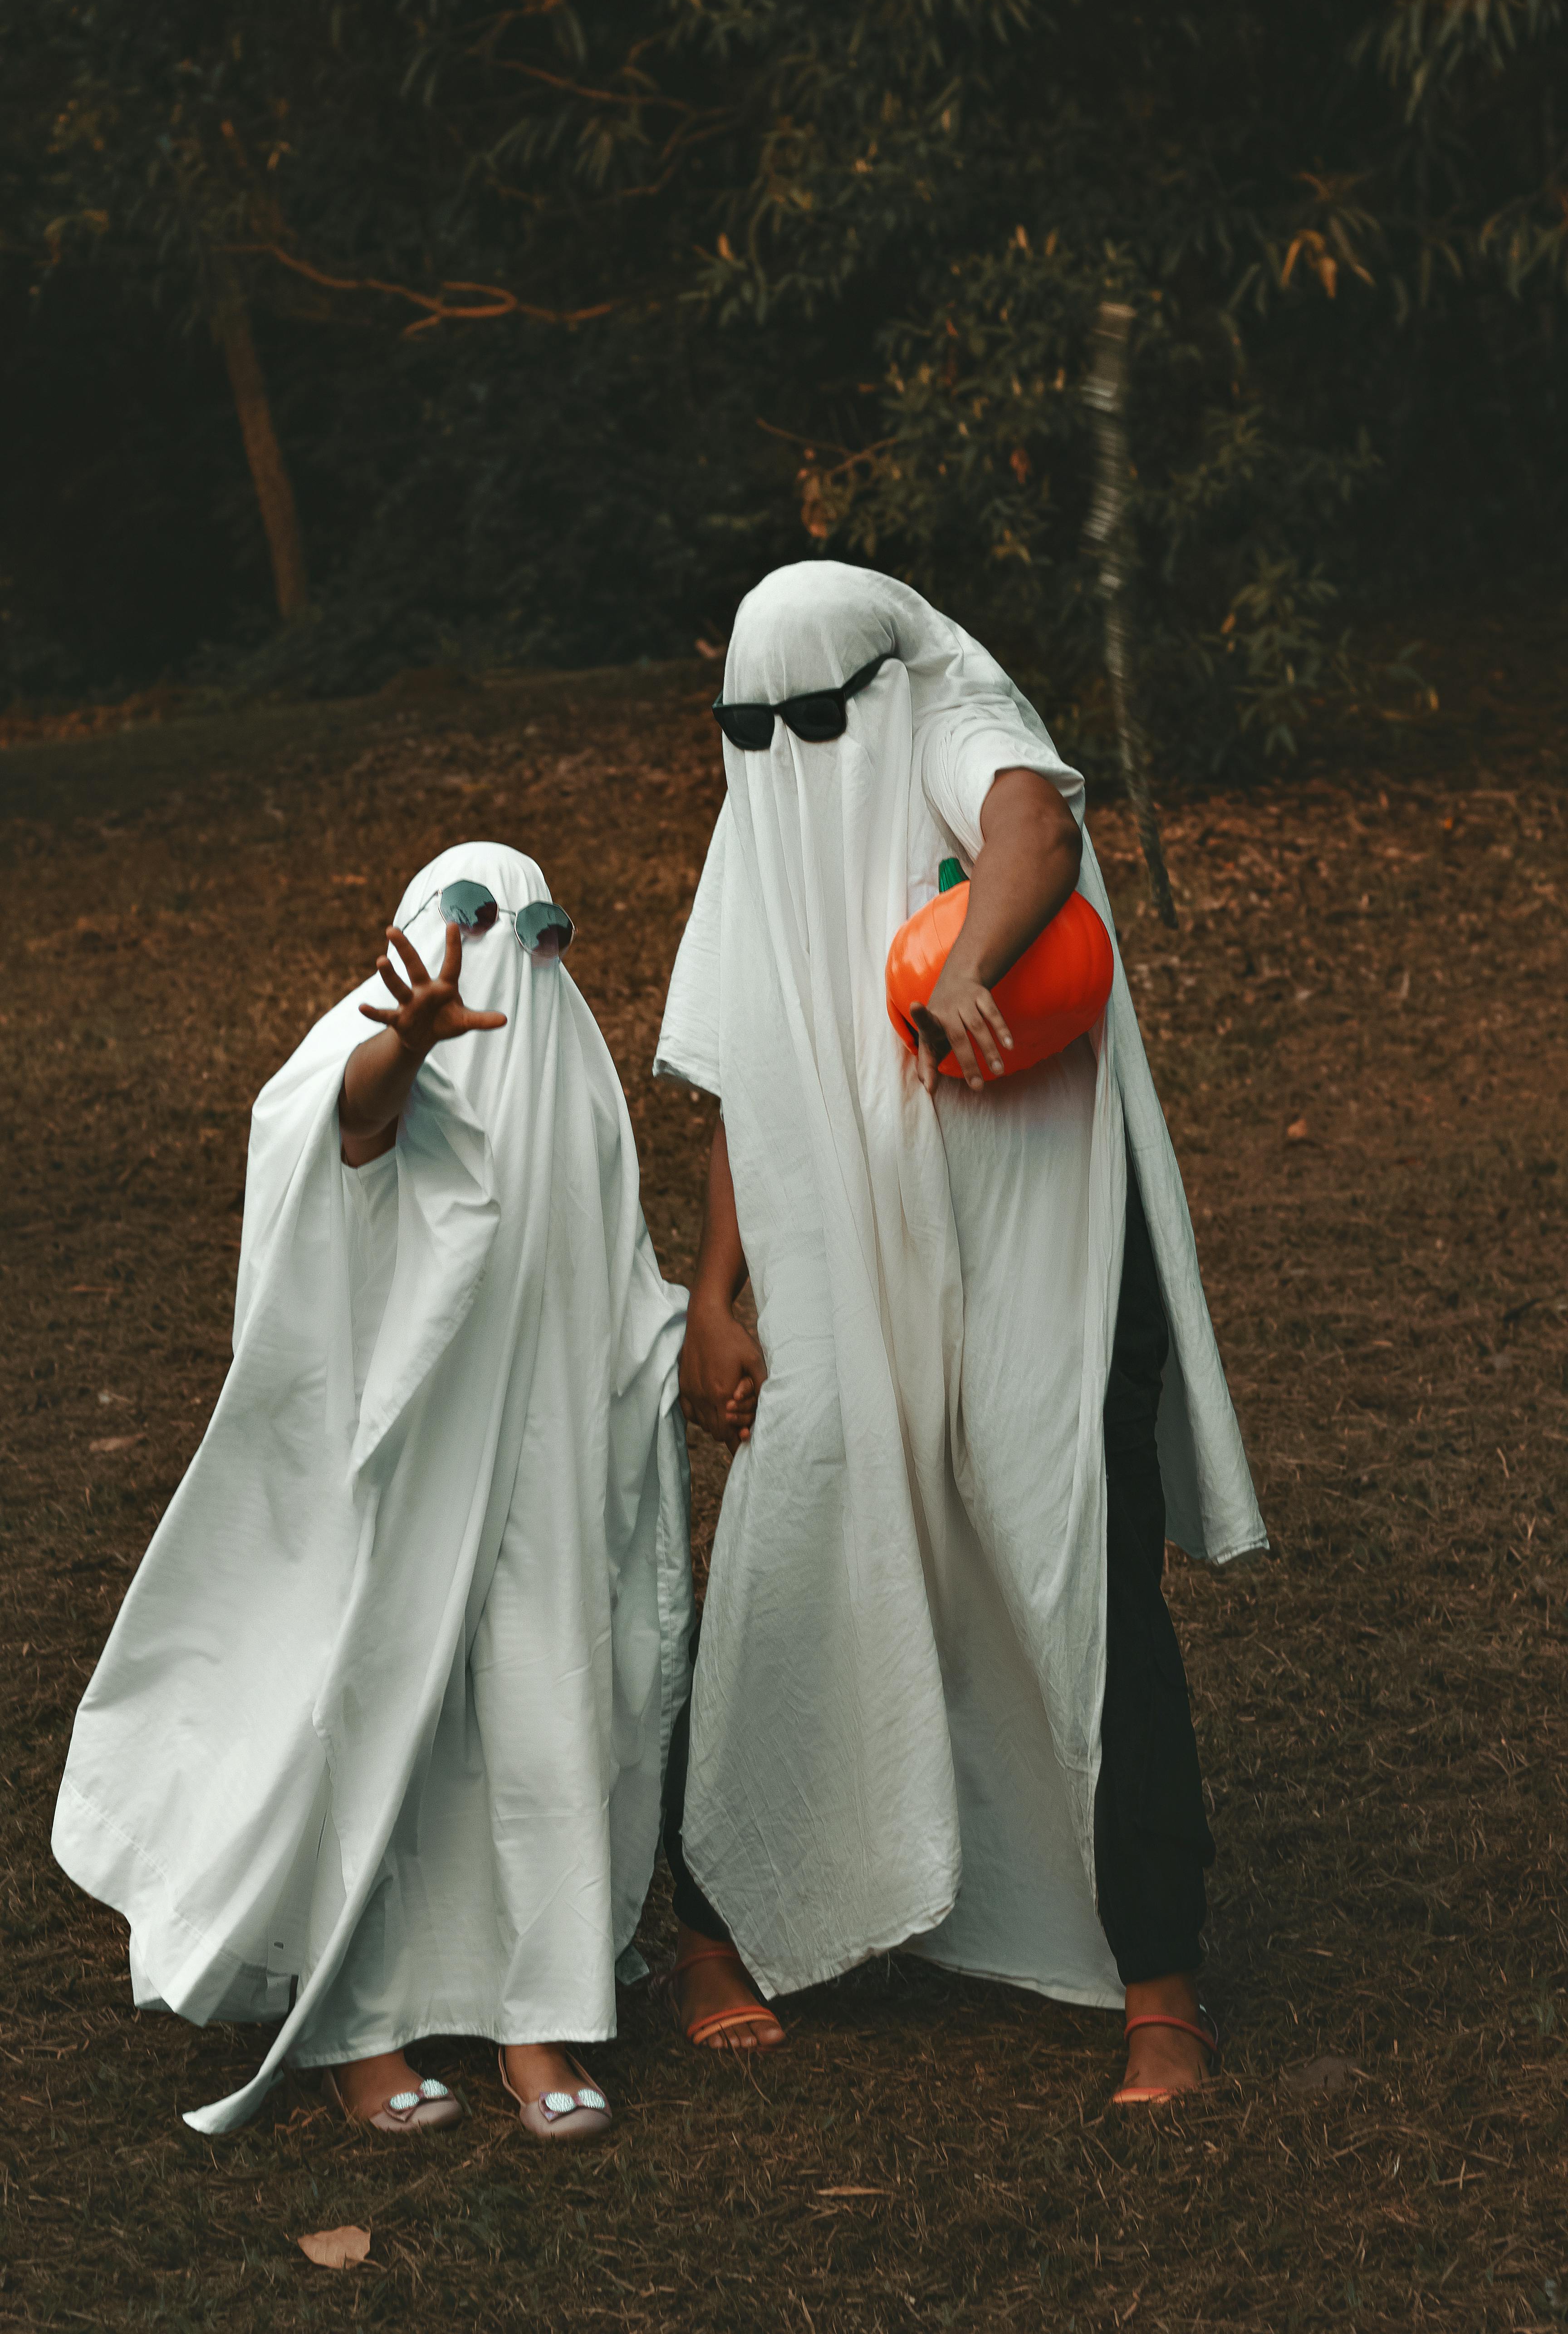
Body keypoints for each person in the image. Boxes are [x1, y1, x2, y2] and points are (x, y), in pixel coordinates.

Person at [655, 564, 1267, 2100]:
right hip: (842, 1260)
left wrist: (969, 970)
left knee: (1081, 1559)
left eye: (809, 720)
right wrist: (718, 1292)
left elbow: (1033, 828)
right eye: (748, 726)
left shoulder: (952, 707)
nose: (780, 751)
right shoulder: (764, 792)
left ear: (880, 684)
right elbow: (753, 1063)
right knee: (802, 1531)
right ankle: (717, 1930)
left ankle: (1160, 1990)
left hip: (1043, 1251)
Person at [53, 843, 693, 2139]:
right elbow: (351, 1125)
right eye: (474, 916)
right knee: (387, 1711)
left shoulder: (576, 1089)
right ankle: (361, 2024)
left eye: (544, 929)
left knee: (541, 1712)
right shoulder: (363, 1042)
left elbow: (614, 1262)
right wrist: (406, 1043)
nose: (512, 949)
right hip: (399, 1470)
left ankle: (540, 2012)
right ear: (414, 931)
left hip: (544, 1467)